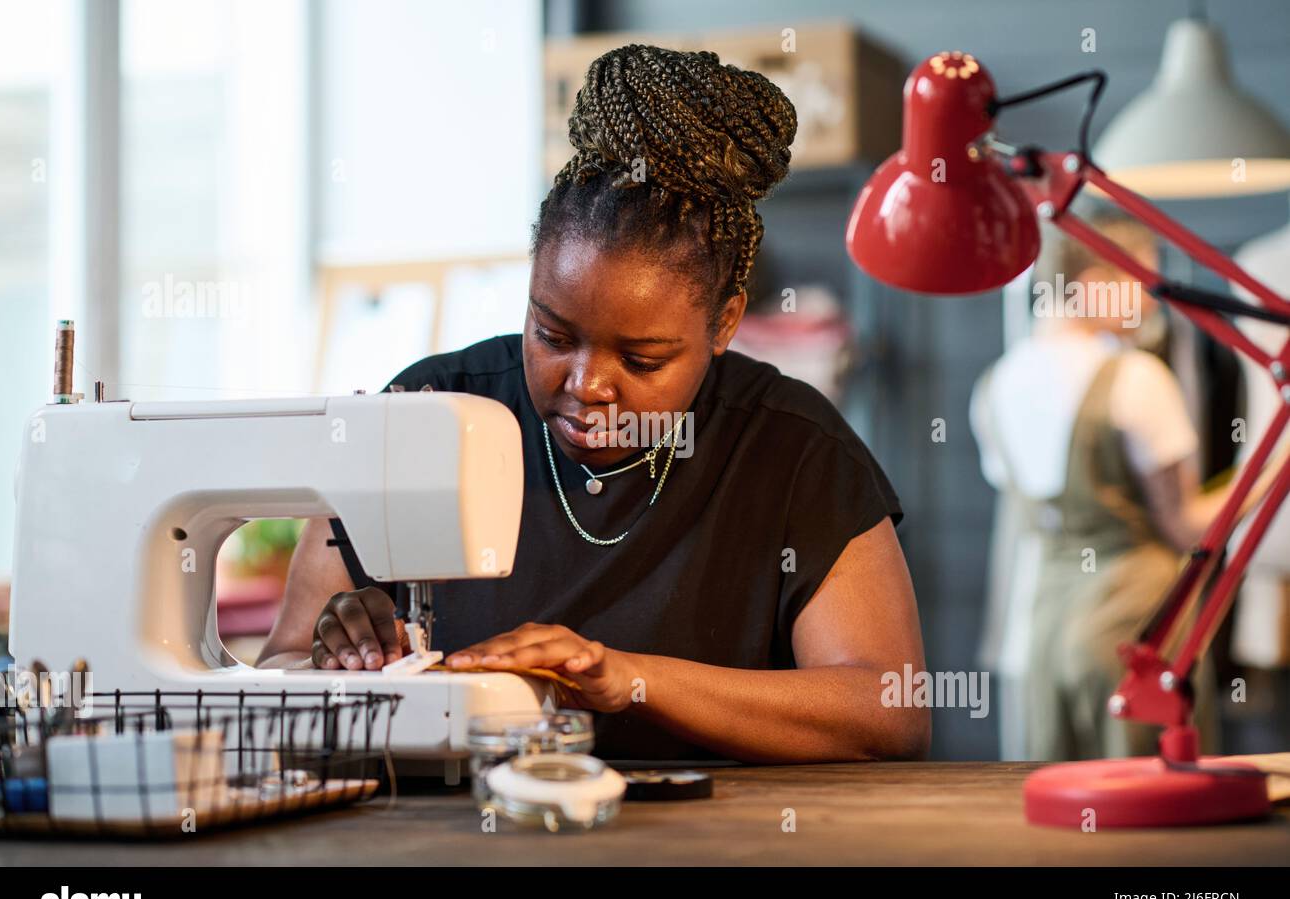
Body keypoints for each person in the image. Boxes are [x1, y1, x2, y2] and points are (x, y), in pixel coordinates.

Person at [256, 45, 928, 764]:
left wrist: (629, 679)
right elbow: (280, 671)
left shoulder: (793, 449)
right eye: (551, 333)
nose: (587, 384)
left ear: (725, 322)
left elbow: (889, 713)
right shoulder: (426, 410)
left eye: (641, 359)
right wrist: (340, 652)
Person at [970, 209, 1277, 761]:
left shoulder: (996, 385)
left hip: (1045, 633)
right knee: (1147, 821)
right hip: (1134, 632)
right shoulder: (1137, 379)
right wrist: (1273, 470)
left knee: (1061, 816)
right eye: (1142, 281)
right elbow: (1186, 525)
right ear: (1094, 286)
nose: (1151, 300)